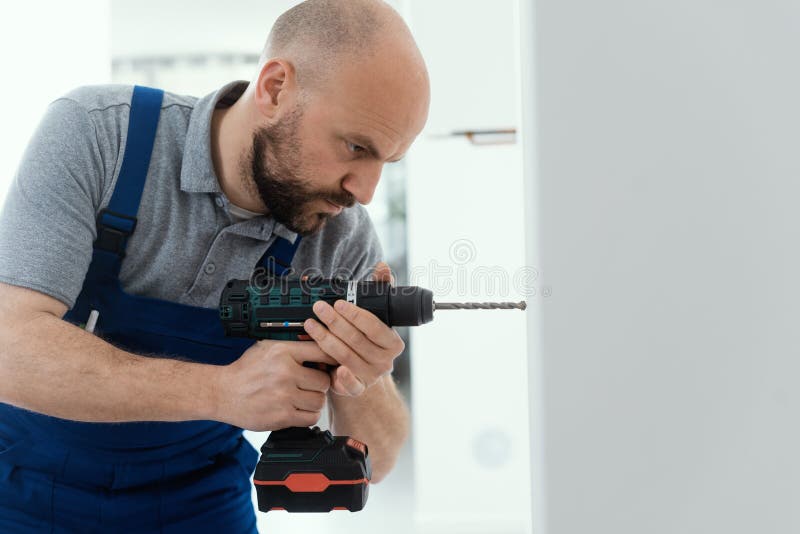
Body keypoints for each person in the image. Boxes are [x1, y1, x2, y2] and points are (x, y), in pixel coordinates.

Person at [0, 0, 430, 531]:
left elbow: (380, 461)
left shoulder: (339, 233)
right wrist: (221, 392)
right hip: (21, 489)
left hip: (199, 504)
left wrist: (365, 376)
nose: (364, 191)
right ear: (275, 88)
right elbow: (9, 348)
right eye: (355, 146)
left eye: (385, 161)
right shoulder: (98, 135)